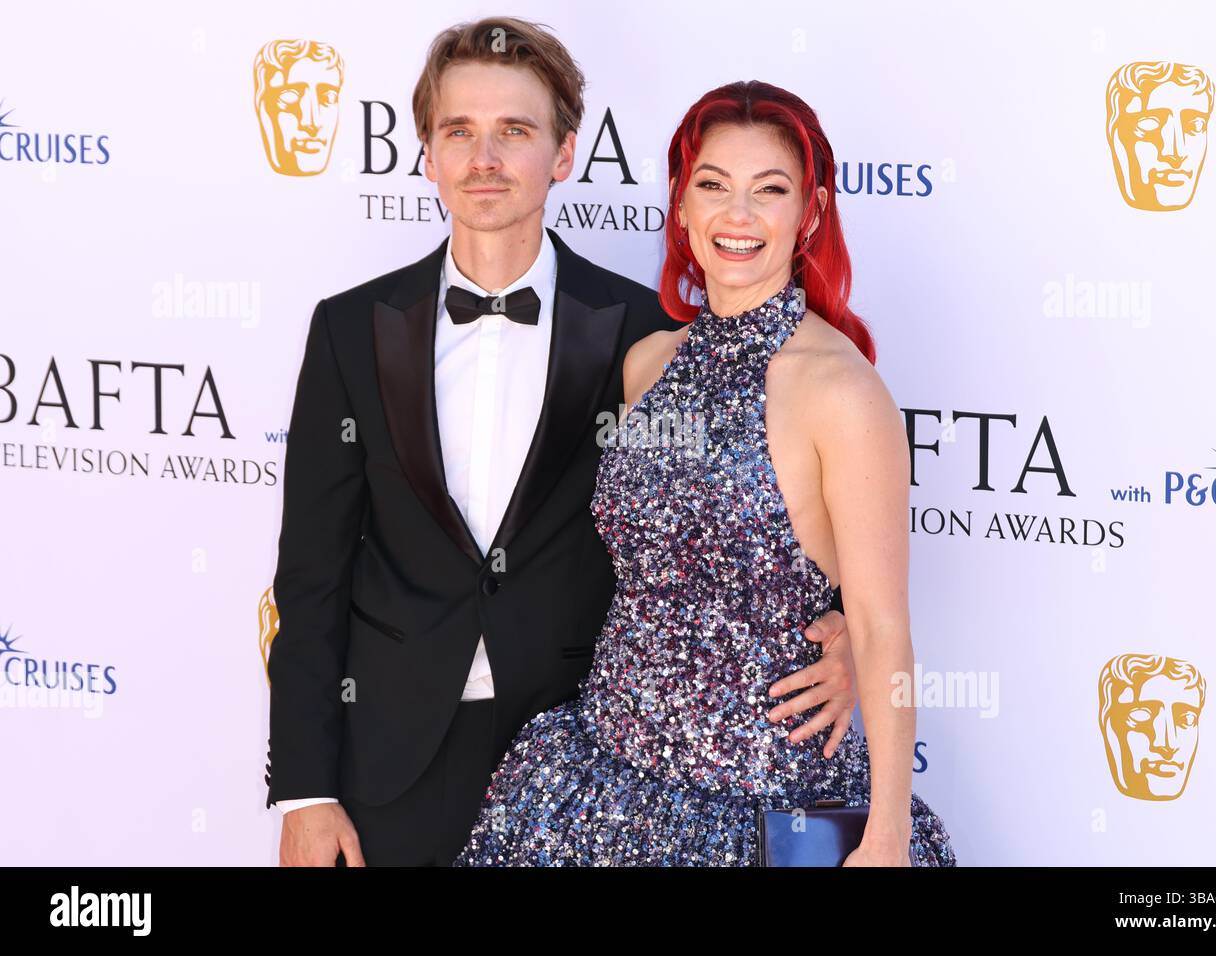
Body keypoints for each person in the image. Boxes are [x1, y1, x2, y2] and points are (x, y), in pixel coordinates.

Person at [265, 18, 862, 867]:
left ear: (565, 152)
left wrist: (840, 629)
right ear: (427, 153)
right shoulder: (349, 328)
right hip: (386, 768)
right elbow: (311, 576)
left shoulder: (653, 339)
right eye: (459, 132)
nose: (485, 159)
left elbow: (753, 517)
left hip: (587, 771)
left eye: (515, 131)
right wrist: (306, 791)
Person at [454, 80, 957, 867]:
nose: (739, 215)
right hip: (602, 788)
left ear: (812, 213)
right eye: (713, 185)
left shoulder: (842, 390)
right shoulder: (646, 365)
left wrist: (886, 833)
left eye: (770, 190)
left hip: (765, 812)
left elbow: (883, 626)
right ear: (681, 204)